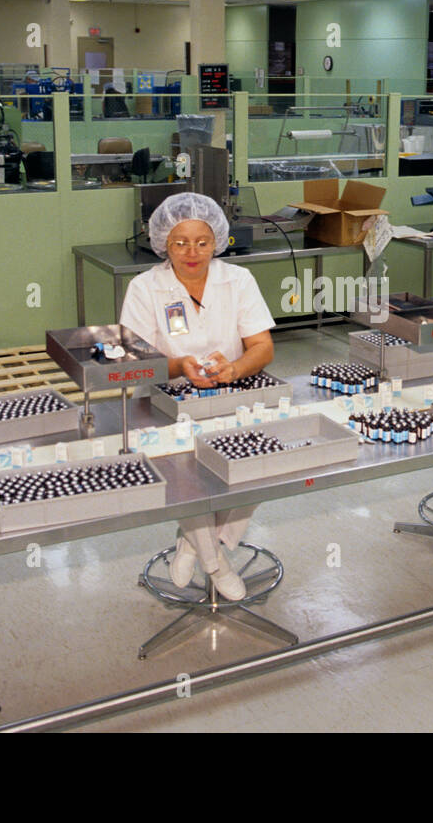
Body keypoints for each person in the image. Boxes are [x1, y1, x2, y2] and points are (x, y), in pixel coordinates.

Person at [120, 193, 276, 600]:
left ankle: (193, 543)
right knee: (187, 481)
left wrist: (235, 369)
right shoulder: (145, 288)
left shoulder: (238, 281)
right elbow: (136, 360)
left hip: (232, 392)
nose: (192, 252)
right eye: (180, 242)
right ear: (162, 244)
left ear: (218, 241)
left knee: (257, 471)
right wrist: (180, 365)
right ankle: (215, 563)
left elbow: (261, 346)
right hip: (163, 398)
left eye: (202, 242)